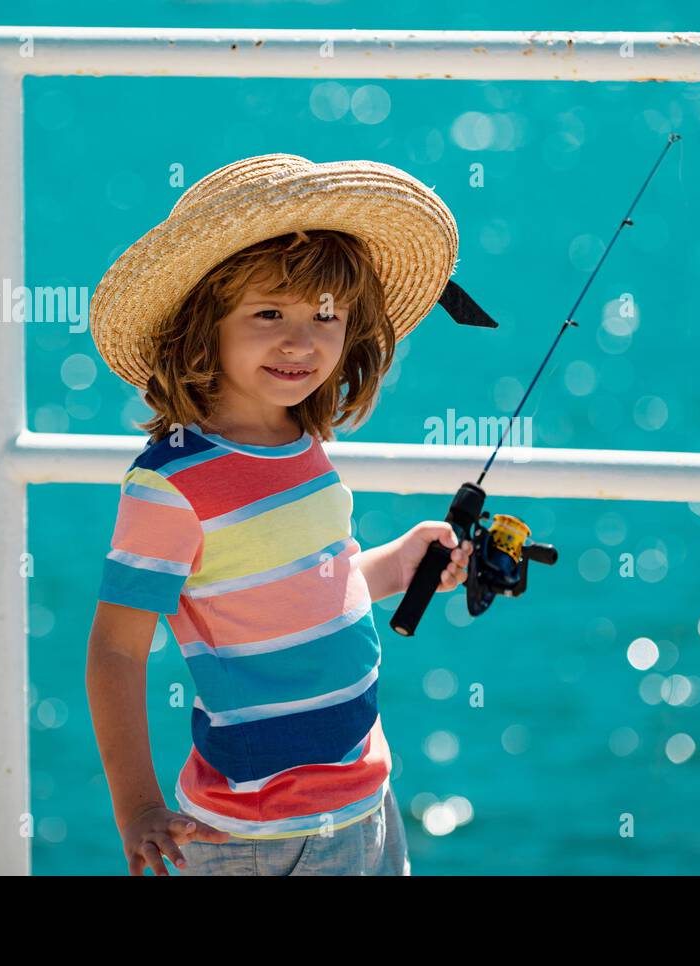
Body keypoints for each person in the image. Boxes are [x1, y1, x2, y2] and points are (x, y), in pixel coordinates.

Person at [84, 154, 473, 875]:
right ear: (204, 326)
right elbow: (114, 651)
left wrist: (399, 563)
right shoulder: (170, 487)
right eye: (269, 314)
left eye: (326, 315)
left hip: (364, 794)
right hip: (250, 833)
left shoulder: (305, 445)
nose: (302, 341)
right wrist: (136, 805)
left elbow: (308, 583)